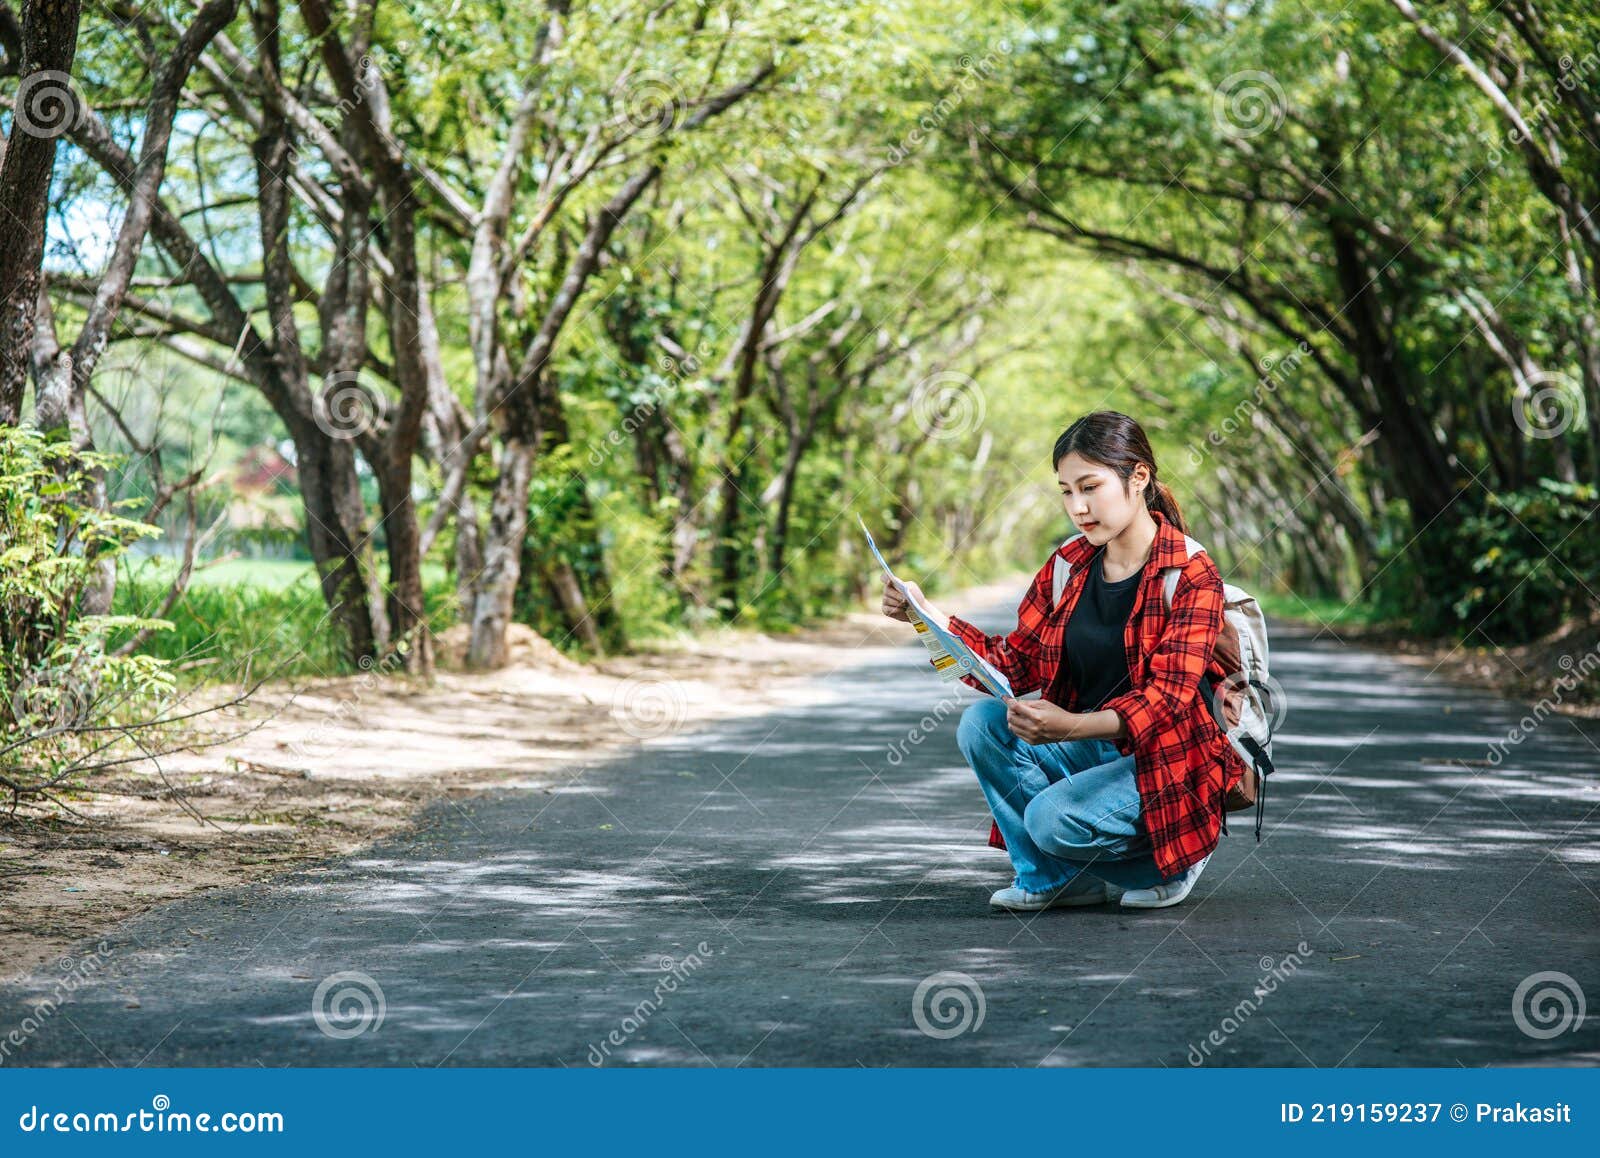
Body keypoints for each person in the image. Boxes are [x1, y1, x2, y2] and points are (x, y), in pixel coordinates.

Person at [881, 410, 1245, 912]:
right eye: (1066, 491)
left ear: (1138, 476)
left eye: (1090, 487)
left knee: (1052, 821)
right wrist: (927, 619)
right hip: (1087, 747)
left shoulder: (1190, 574)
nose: (1078, 507)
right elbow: (1013, 664)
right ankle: (1056, 878)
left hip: (1163, 760)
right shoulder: (1069, 565)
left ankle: (1171, 861)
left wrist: (1069, 727)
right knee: (982, 724)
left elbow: (1168, 699)